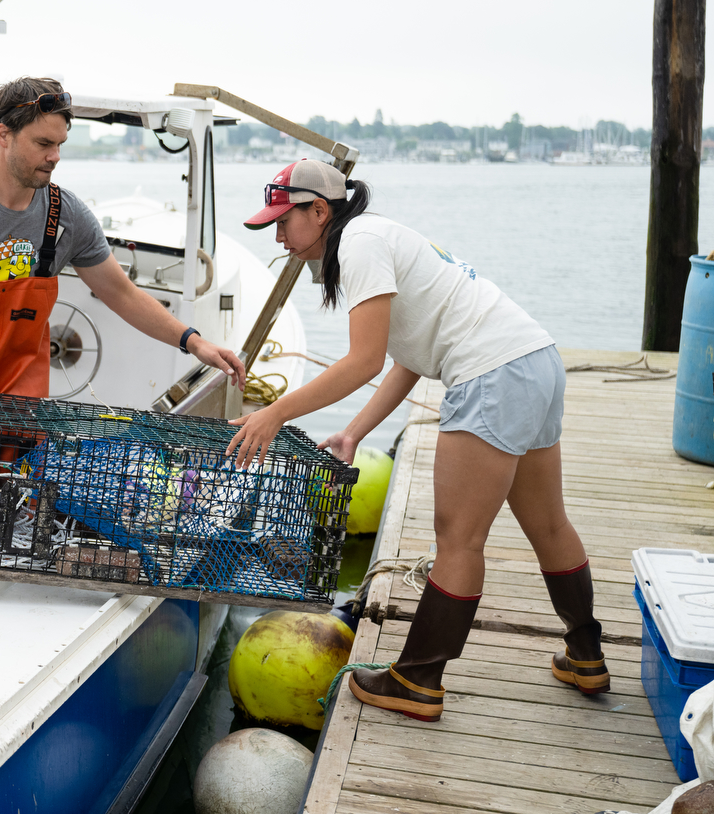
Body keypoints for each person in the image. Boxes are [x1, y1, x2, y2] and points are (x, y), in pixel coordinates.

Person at [228, 159, 606, 723]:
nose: (279, 236)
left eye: (285, 221)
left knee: (458, 539)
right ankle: (586, 655)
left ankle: (418, 680)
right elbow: (407, 357)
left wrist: (275, 414)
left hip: (492, 375)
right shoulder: (376, 235)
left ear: (320, 211)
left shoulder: (357, 244)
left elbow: (362, 362)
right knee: (549, 525)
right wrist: (355, 432)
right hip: (535, 361)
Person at [0, 76, 246, 641]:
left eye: (60, 145)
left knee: (33, 551)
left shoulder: (66, 214)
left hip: (19, 419)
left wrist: (194, 341)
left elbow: (121, 293)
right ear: (3, 136)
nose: (54, 157)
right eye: (43, 144)